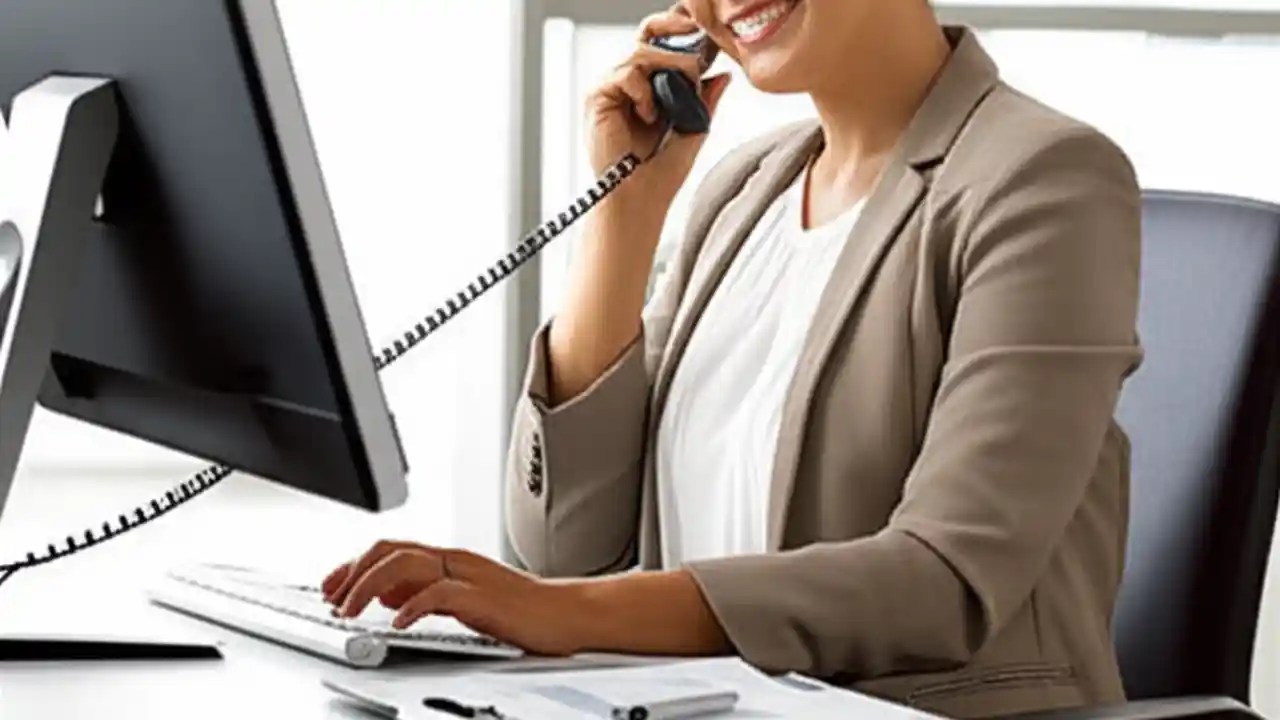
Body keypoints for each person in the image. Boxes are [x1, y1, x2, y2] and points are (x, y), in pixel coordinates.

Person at [320, 1, 1142, 716]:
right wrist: (625, 214)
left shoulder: (1043, 179)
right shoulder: (745, 189)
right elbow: (565, 546)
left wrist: (563, 612)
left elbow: (944, 582)